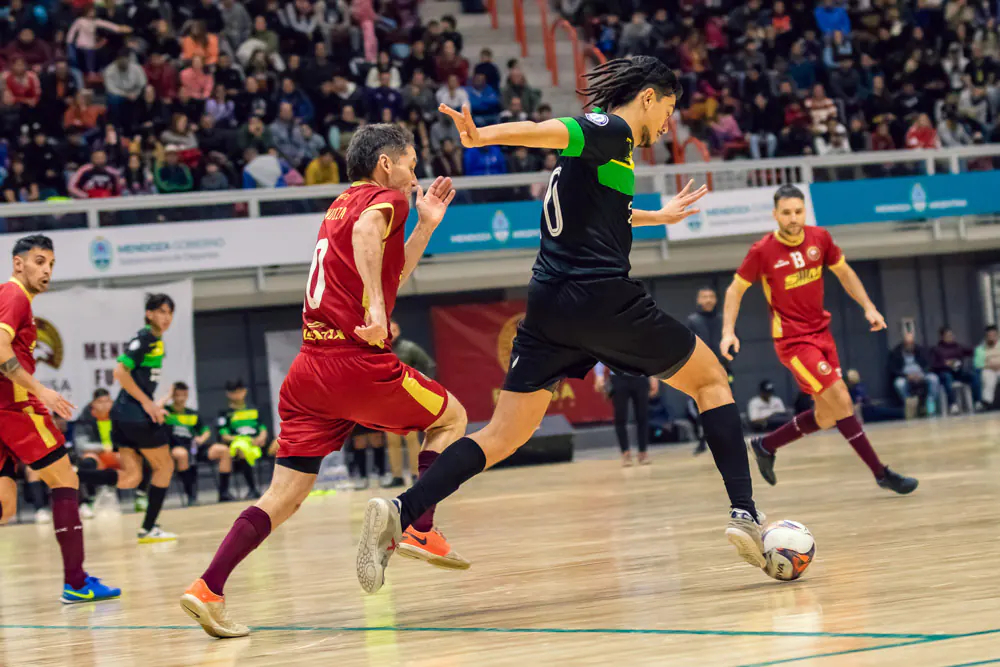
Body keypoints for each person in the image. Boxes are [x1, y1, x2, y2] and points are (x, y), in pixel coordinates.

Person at [356, 56, 768, 598]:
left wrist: (659, 217)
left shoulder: (602, 158)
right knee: (711, 380)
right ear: (647, 98)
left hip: (548, 305)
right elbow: (550, 129)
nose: (668, 124)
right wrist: (483, 136)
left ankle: (401, 510)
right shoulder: (610, 129)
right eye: (668, 109)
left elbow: (606, 211)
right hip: (600, 297)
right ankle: (745, 513)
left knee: (502, 435)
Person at [180, 124, 470, 638]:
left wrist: (425, 228)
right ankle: (420, 527)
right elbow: (369, 245)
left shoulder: (339, 206)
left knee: (284, 495)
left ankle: (208, 588)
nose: (415, 177)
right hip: (353, 363)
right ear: (385, 165)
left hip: (308, 370)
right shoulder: (384, 200)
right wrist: (375, 311)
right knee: (452, 418)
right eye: (410, 164)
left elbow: (387, 275)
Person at [721, 185, 917, 495]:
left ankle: (765, 445)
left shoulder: (820, 238)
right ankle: (881, 473)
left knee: (827, 416)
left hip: (822, 335)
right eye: (786, 212)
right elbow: (735, 289)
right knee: (842, 400)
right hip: (793, 342)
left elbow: (844, 272)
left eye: (798, 211)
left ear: (805, 212)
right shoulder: (763, 251)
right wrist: (728, 331)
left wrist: (869, 307)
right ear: (775, 215)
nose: (793, 218)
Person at [0, 235, 121, 603]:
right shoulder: (14, 295)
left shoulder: (13, 298)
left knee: (4, 505)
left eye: (51, 264)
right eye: (39, 261)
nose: (47, 270)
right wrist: (41, 390)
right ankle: (76, 582)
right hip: (16, 409)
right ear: (18, 263)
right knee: (66, 480)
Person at [106, 294, 179, 542]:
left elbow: (139, 383)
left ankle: (76, 477)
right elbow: (120, 372)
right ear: (149, 314)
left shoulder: (157, 340)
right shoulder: (145, 338)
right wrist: (147, 404)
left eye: (170, 313)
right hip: (132, 414)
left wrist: (156, 404)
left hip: (124, 413)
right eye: (161, 312)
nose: (166, 317)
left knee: (132, 477)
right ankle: (148, 528)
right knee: (165, 466)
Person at [383, 319, 435, 488]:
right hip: (386, 402)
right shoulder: (378, 349)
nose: (392, 333)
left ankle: (415, 474)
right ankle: (397, 476)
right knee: (392, 442)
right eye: (388, 329)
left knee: (411, 440)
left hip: (407, 400)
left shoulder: (409, 347)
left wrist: (423, 387)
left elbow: (429, 365)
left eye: (394, 329)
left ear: (398, 330)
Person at [685, 286, 731, 455]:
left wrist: (727, 360)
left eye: (711, 296)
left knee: (726, 405)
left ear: (716, 299)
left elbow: (734, 342)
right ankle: (704, 440)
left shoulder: (724, 320)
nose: (708, 300)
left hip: (723, 370)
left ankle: (727, 441)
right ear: (698, 300)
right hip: (700, 371)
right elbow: (687, 345)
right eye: (704, 297)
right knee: (702, 406)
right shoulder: (692, 321)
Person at [164, 382, 220, 505]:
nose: (181, 398)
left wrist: (201, 439)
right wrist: (167, 396)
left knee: (221, 450)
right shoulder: (165, 412)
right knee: (183, 455)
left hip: (194, 447)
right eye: (177, 395)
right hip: (175, 448)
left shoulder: (193, 414)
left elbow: (206, 431)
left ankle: (224, 493)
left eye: (184, 395)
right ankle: (191, 495)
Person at [594, 363, 658, 465]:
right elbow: (602, 354)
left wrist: (654, 376)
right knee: (620, 416)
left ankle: (643, 452)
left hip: (640, 376)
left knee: (642, 416)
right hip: (618, 376)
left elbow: (650, 354)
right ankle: (625, 453)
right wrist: (599, 374)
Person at [216, 379, 267, 500]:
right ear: (228, 394)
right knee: (242, 449)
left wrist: (261, 437)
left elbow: (263, 428)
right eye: (233, 392)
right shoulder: (224, 414)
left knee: (280, 445)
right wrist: (245, 440)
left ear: (245, 391)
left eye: (239, 391)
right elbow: (224, 435)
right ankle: (253, 489)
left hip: (257, 443)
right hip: (238, 445)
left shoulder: (255, 410)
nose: (237, 395)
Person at [889, 331, 940, 417]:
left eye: (911, 343)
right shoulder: (896, 352)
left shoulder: (921, 350)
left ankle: (930, 404)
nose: (910, 346)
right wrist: (907, 376)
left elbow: (929, 364)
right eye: (907, 344)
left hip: (921, 375)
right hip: (906, 376)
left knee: (934, 379)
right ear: (903, 344)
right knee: (899, 384)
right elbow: (893, 369)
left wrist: (922, 374)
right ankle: (910, 403)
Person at [930, 327, 981, 413]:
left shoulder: (958, 347)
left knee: (973, 376)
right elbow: (933, 365)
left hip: (958, 372)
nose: (951, 337)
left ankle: (977, 402)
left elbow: (972, 351)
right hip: (945, 372)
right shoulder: (936, 349)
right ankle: (953, 404)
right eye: (948, 336)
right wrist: (945, 364)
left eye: (951, 335)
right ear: (942, 337)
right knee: (947, 377)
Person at [974, 325, 1000, 408]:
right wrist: (990, 365)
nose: (991, 337)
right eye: (989, 335)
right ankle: (987, 402)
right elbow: (978, 364)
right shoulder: (980, 348)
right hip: (988, 369)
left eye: (993, 335)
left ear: (997, 335)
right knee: (988, 379)